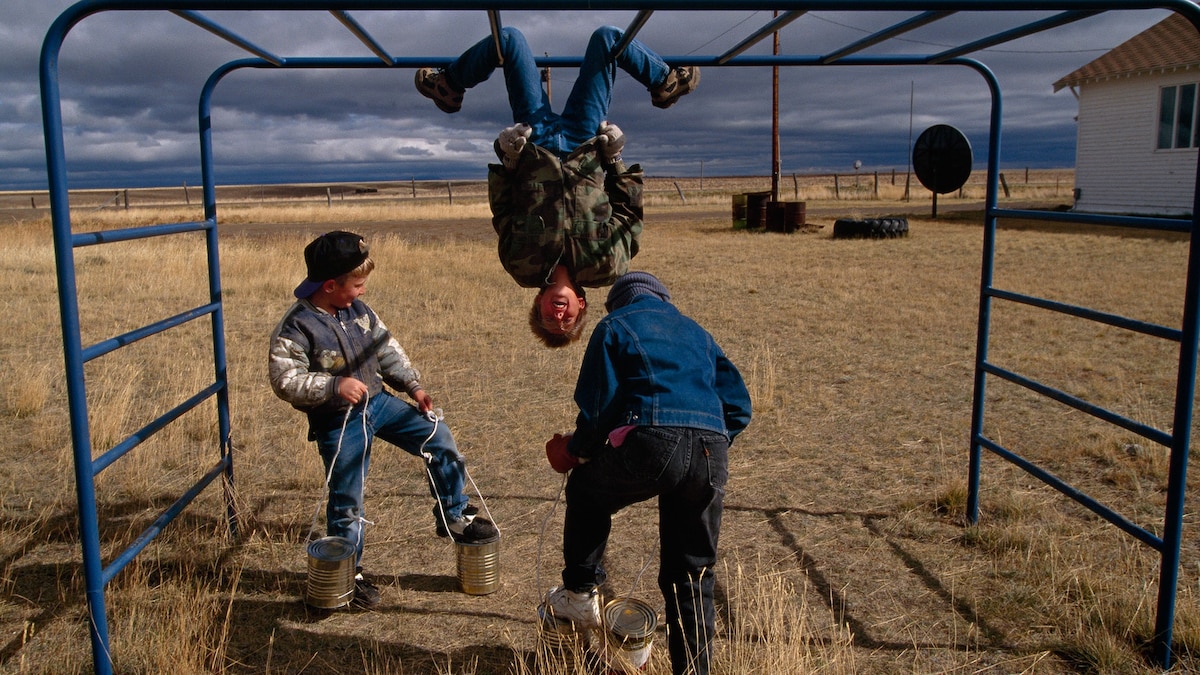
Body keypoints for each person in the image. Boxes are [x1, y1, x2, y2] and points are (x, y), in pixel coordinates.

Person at [416, 26, 700, 346]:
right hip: (585, 142)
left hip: (536, 143)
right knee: (607, 39)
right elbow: (629, 213)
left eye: (549, 319)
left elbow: (504, 210)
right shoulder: (606, 267)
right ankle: (665, 83)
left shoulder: (521, 266)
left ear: (539, 303)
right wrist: (615, 159)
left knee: (508, 39)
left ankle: (447, 86)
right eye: (567, 320)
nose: (559, 315)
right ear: (582, 305)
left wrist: (509, 159)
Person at [269, 231, 498, 609]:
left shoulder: (358, 311)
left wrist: (414, 386)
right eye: (357, 284)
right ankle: (347, 575)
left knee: (437, 436)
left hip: (379, 403)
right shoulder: (297, 326)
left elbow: (387, 349)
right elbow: (285, 380)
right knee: (347, 496)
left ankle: (454, 515)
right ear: (330, 285)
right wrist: (333, 385)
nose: (362, 291)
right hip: (338, 421)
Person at [540, 271, 753, 675]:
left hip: (655, 441)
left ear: (617, 303)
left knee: (586, 491)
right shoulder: (699, 333)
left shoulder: (614, 325)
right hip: (712, 451)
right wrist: (708, 442)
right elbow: (739, 407)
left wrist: (575, 451)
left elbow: (599, 409)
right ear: (662, 299)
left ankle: (580, 594)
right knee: (692, 573)